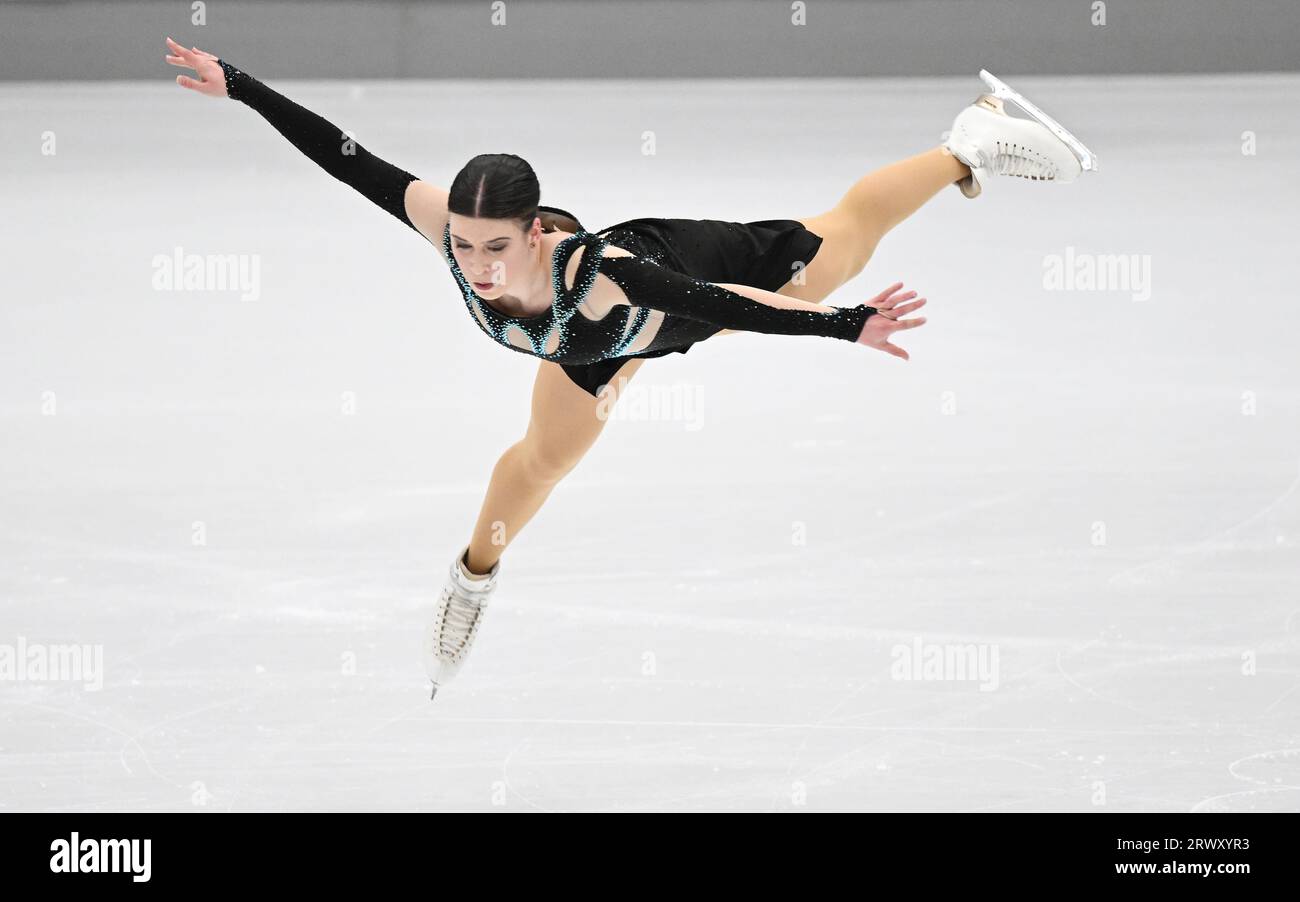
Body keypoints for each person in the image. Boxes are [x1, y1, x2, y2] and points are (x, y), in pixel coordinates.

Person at [164, 38, 1096, 698]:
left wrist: (842, 325)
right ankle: (470, 579)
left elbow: (720, 308)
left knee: (840, 248)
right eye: (464, 245)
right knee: (541, 462)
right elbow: (346, 156)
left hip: (674, 285)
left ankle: (967, 142)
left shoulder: (605, 275)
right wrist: (240, 84)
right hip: (590, 355)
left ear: (536, 232)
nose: (479, 268)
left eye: (496, 247)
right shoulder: (447, 232)